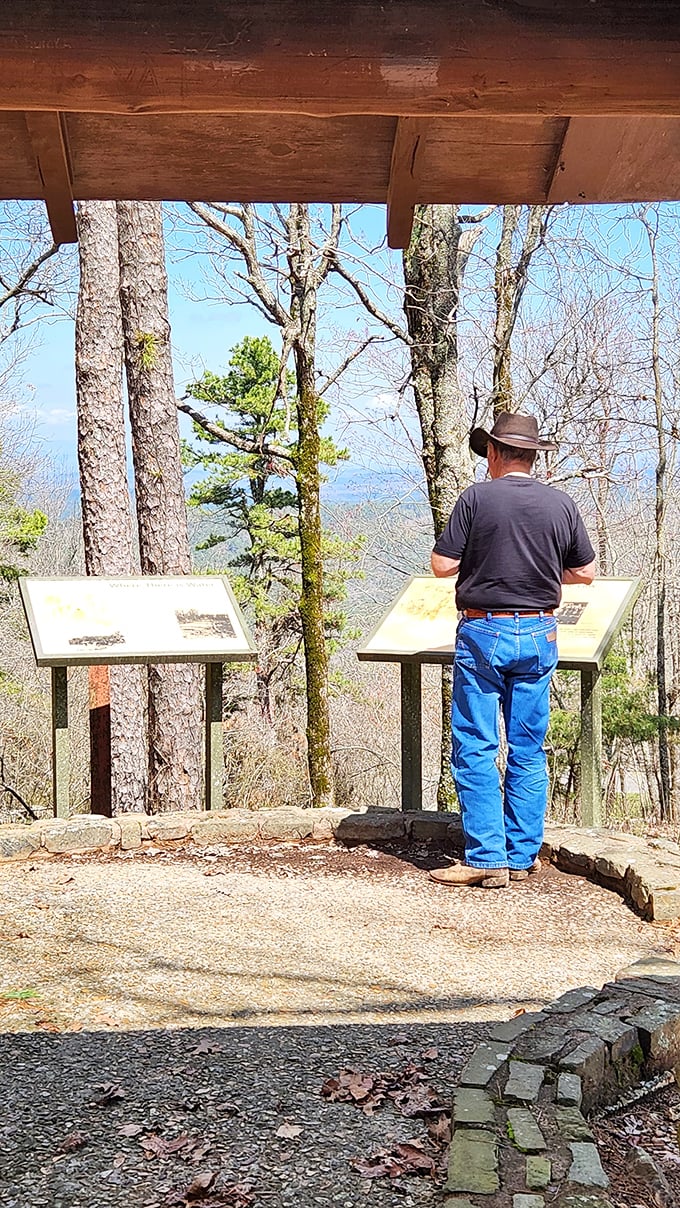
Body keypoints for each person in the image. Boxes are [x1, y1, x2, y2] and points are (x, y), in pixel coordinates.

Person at [429, 412, 596, 889]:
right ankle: (522, 856)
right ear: (533, 454)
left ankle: (486, 857)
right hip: (541, 633)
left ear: (497, 453)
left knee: (476, 745)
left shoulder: (477, 499)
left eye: (488, 453)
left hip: (485, 632)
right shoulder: (560, 504)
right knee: (528, 747)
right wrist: (543, 573)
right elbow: (585, 573)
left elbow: (443, 565)